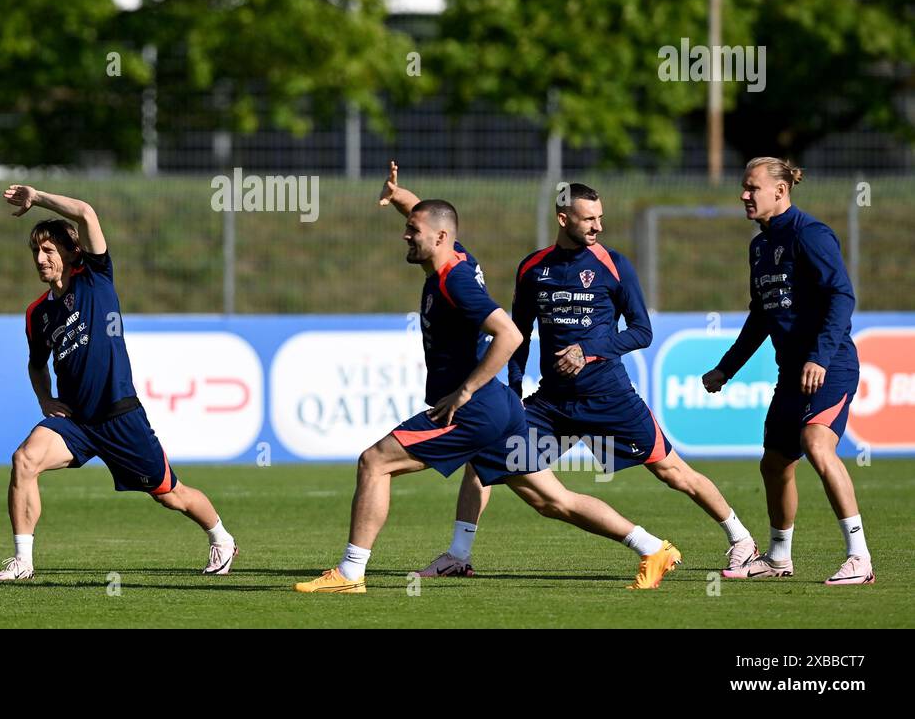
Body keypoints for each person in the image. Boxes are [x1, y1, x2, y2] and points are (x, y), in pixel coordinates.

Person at [295, 168, 681, 593]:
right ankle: (651, 547)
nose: (407, 236)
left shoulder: (456, 281)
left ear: (439, 238)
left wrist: (465, 389)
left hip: (477, 410)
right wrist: (405, 199)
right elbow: (433, 220)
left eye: (413, 231)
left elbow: (510, 333)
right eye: (407, 228)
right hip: (499, 410)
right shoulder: (455, 254)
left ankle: (350, 573)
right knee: (552, 501)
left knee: (374, 462)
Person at [400, 174, 755, 578]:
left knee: (673, 472)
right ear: (563, 217)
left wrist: (589, 351)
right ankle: (458, 556)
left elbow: (642, 331)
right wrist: (514, 389)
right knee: (485, 458)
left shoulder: (614, 265)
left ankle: (741, 539)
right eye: (588, 219)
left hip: (610, 399)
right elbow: (519, 335)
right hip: (553, 405)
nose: (597, 226)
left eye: (600, 218)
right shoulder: (533, 269)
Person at [0, 184, 237, 581]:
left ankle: (221, 539)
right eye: (36, 251)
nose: (40, 259)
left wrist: (36, 197)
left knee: (171, 495)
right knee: (24, 460)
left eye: (49, 250)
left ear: (71, 254)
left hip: (120, 416)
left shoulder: (95, 279)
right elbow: (36, 364)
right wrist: (45, 400)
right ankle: (23, 560)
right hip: (75, 423)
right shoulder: (37, 314)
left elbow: (86, 213)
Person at [703, 158, 873, 585]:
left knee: (816, 444)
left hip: (830, 365)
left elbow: (841, 296)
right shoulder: (760, 247)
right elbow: (760, 317)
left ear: (780, 191)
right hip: (792, 373)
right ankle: (778, 558)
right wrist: (726, 369)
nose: (744, 195)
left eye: (752, 187)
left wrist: (818, 355)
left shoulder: (810, 234)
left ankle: (860, 557)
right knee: (775, 463)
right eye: (743, 187)